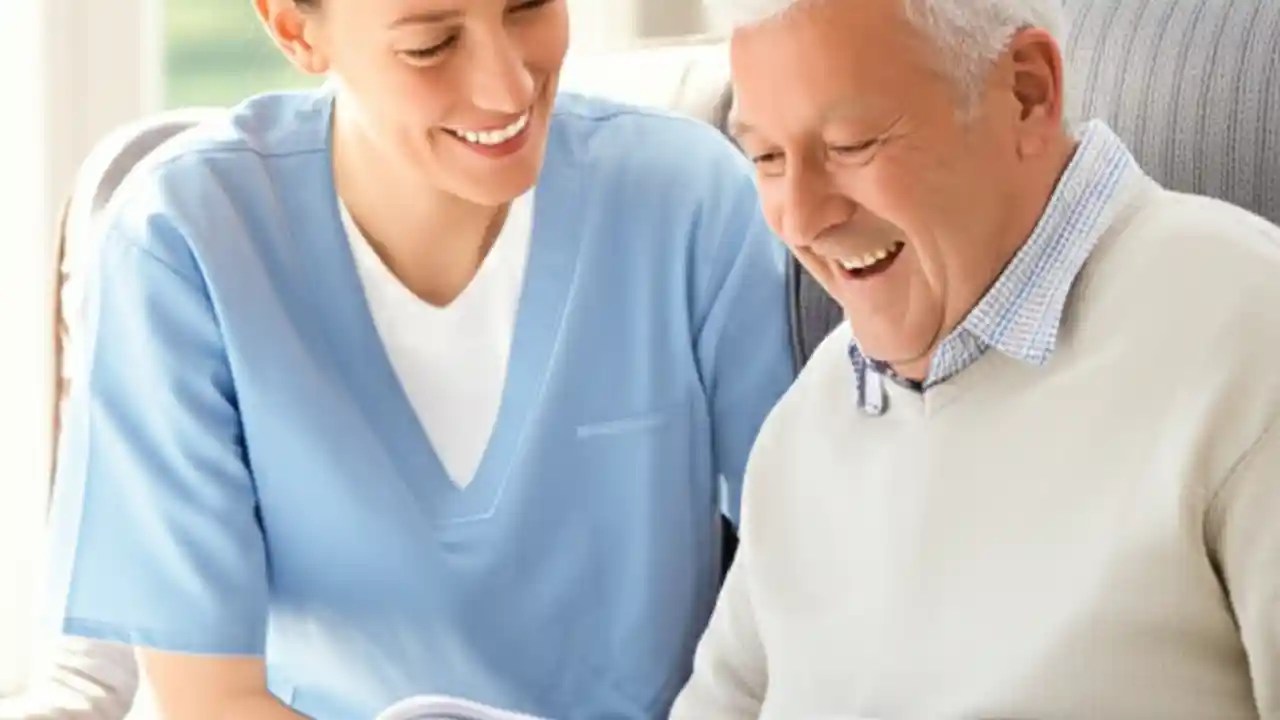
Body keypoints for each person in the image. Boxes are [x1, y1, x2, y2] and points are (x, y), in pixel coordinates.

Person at [39, 0, 795, 718]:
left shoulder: (687, 202)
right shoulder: (185, 243)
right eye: (430, 45)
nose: (508, 87)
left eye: (529, 6)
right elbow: (208, 702)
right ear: (296, 31)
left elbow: (811, 595)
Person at [671, 0, 1280, 717]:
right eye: (767, 159)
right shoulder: (813, 414)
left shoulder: (1245, 334)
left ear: (1027, 93)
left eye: (851, 143)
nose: (800, 220)